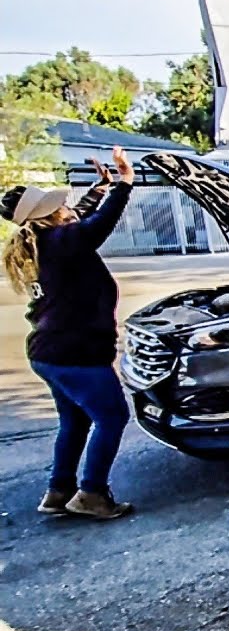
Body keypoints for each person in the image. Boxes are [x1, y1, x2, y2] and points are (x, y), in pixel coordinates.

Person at [1, 147, 136, 520]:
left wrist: (100, 188)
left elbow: (83, 220)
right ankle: (92, 493)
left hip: (49, 353)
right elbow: (98, 224)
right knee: (111, 417)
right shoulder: (62, 243)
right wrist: (124, 184)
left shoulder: (43, 243)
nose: (65, 207)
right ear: (50, 216)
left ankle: (59, 490)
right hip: (75, 352)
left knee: (75, 420)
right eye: (56, 205)